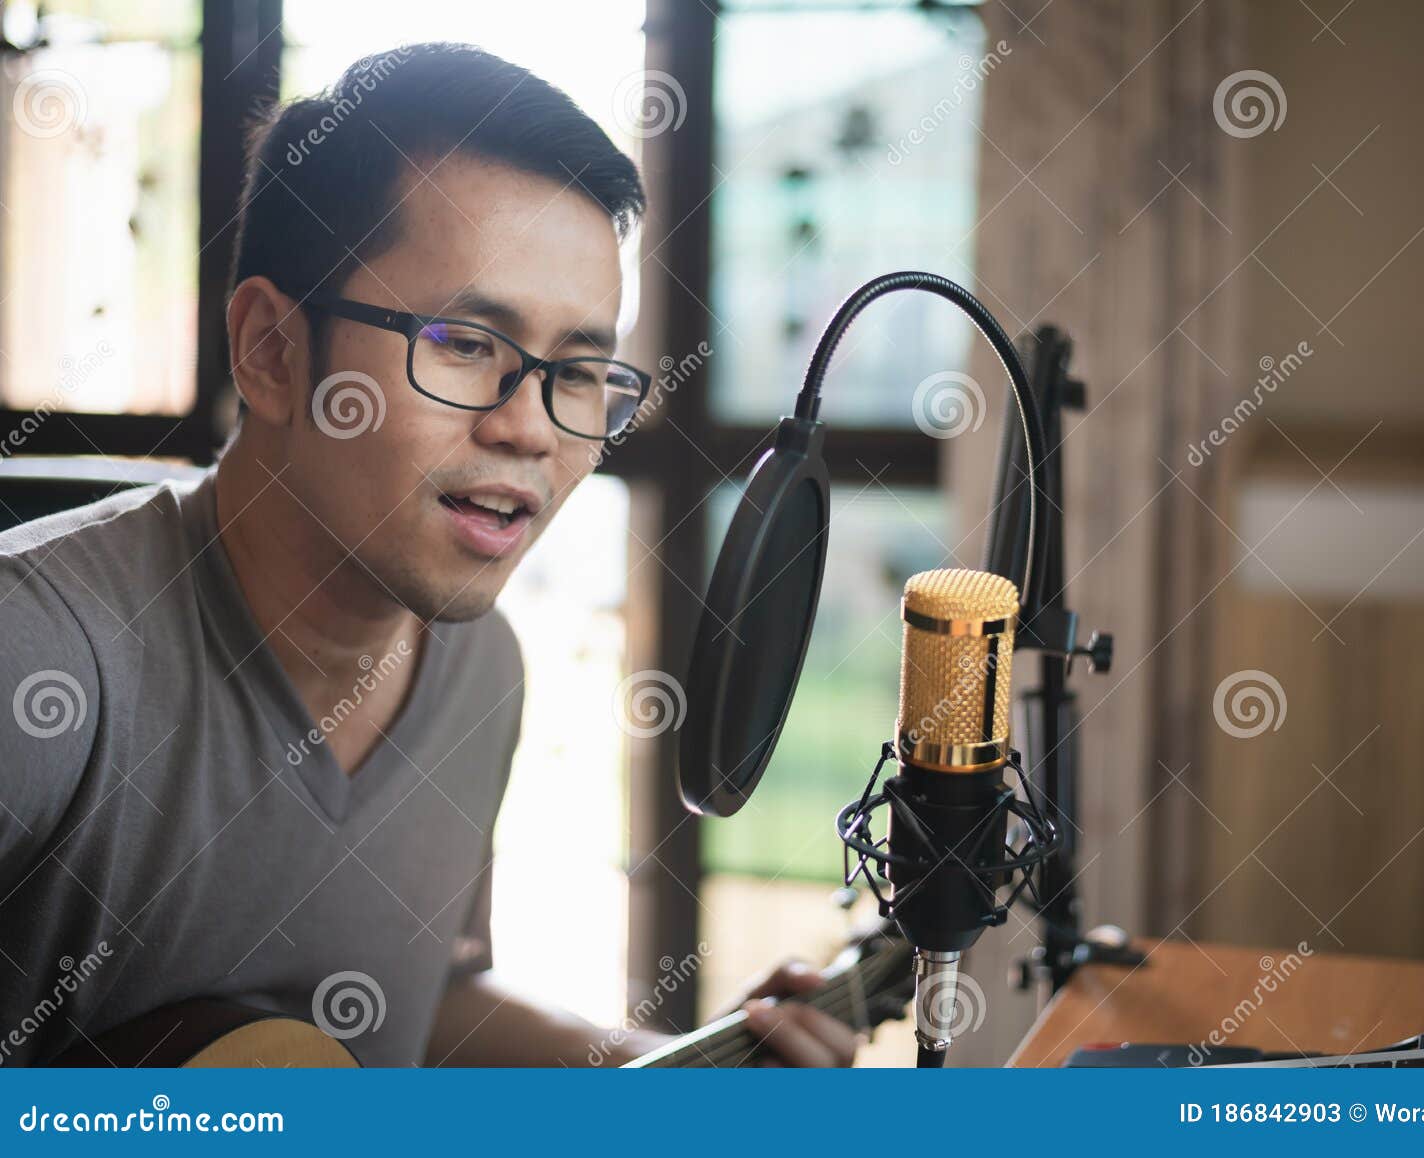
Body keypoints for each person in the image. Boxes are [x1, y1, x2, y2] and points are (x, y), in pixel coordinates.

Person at [0, 42, 856, 1069]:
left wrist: (662, 1069)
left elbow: (416, 1009)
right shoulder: (40, 661)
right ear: (272, 351)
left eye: (581, 371)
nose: (531, 429)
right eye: (462, 342)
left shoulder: (480, 669)